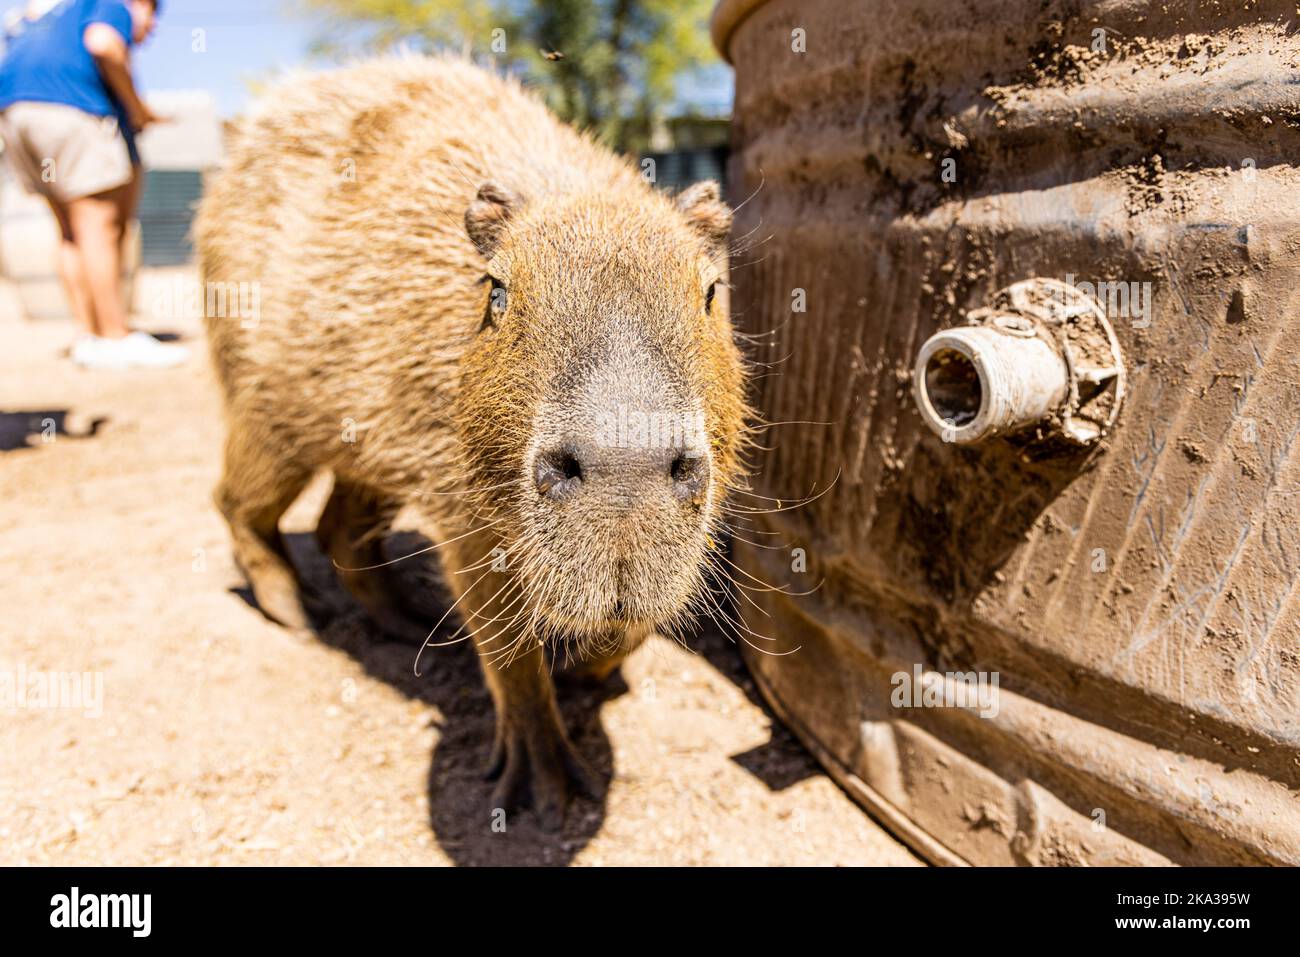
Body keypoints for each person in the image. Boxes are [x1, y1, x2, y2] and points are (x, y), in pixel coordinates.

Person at [0, 0, 188, 369]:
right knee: (99, 227)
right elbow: (104, 44)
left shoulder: (43, 17)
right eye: (152, 18)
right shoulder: (111, 4)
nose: (150, 32)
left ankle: (89, 337)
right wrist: (137, 108)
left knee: (70, 231)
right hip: (69, 110)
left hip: (15, 113)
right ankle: (116, 337)